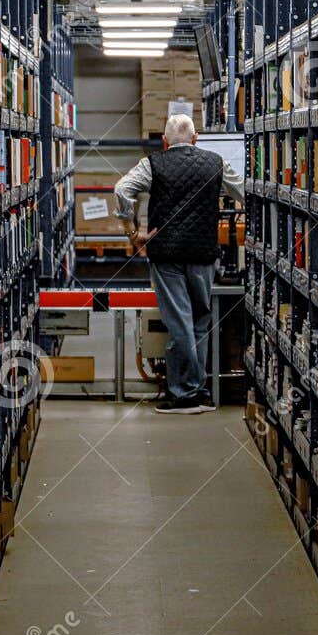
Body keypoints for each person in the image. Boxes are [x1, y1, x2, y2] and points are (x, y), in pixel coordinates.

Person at [114, 114, 244, 414]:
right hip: (203, 252)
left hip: (167, 253)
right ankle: (197, 390)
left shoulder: (153, 164)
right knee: (200, 318)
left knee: (179, 321)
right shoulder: (215, 163)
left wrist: (133, 233)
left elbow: (121, 189)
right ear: (196, 139)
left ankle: (184, 395)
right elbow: (246, 192)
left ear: (164, 140)